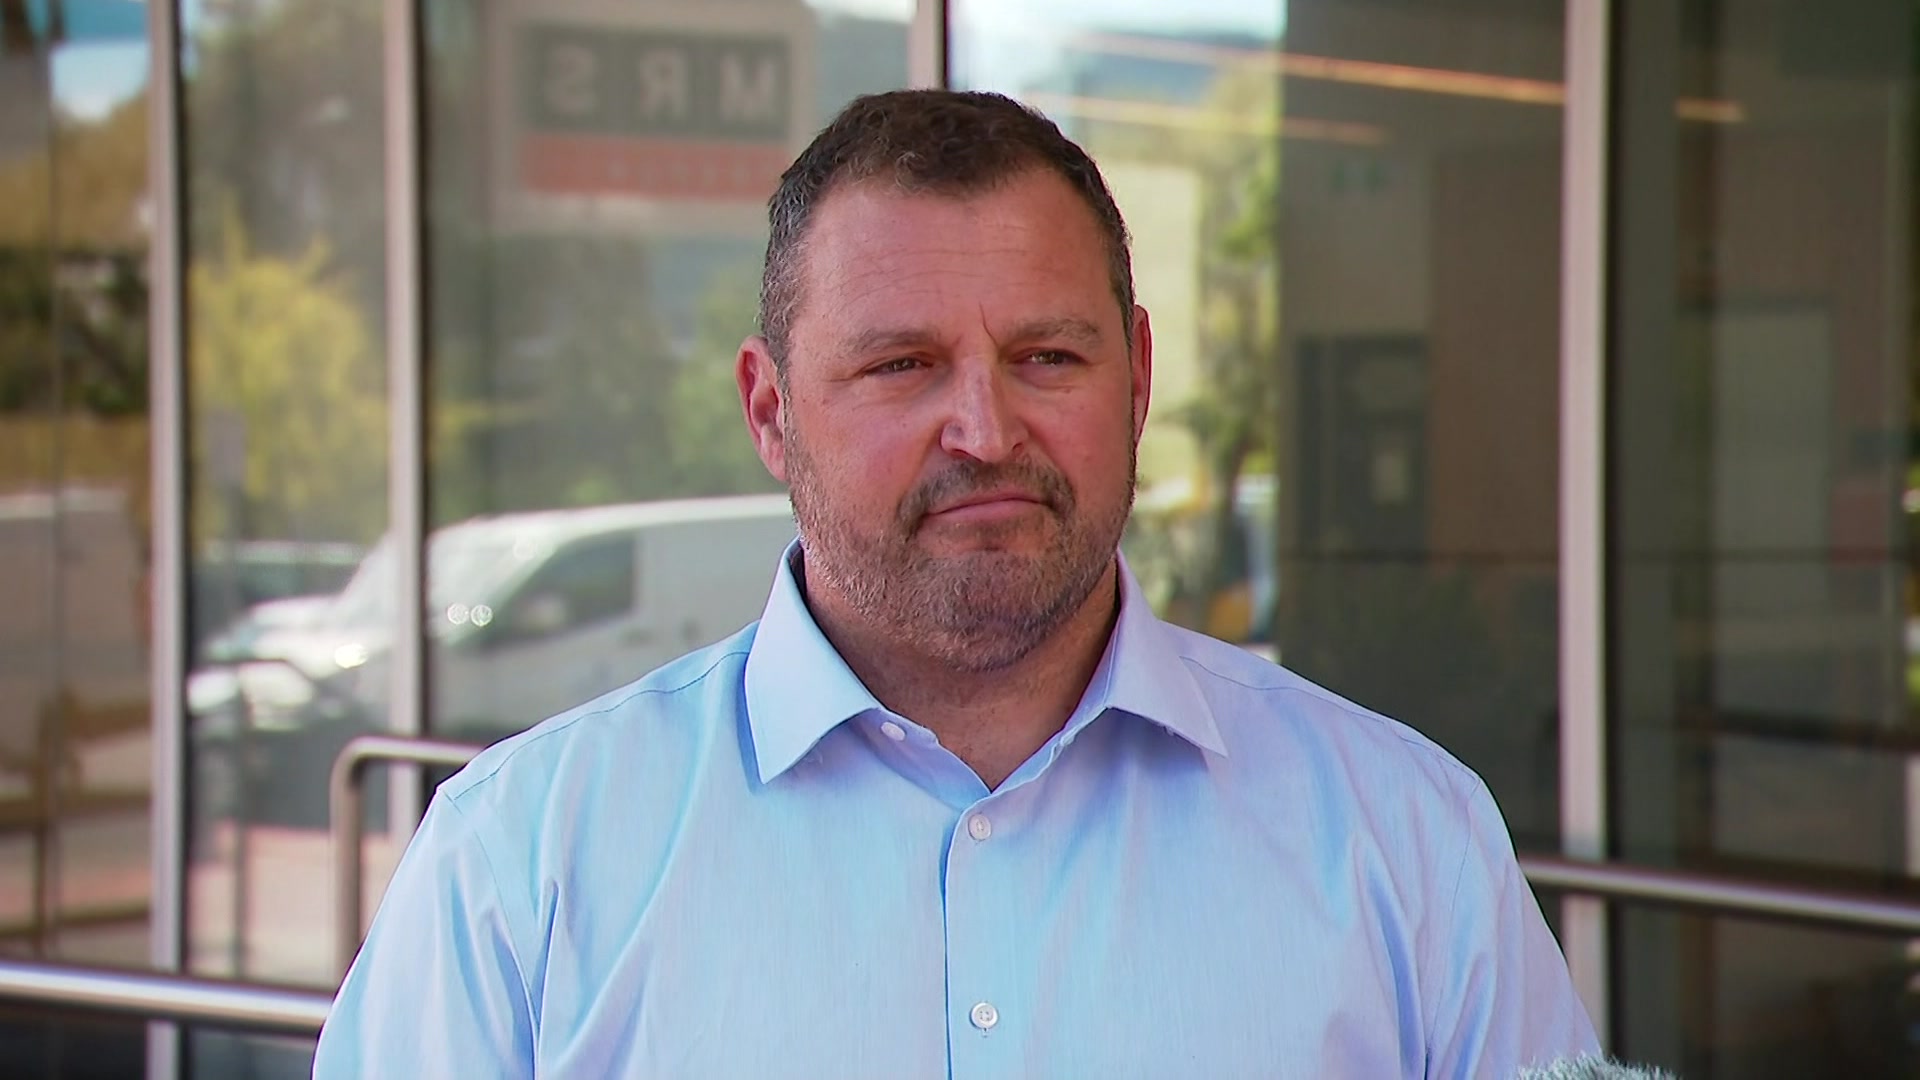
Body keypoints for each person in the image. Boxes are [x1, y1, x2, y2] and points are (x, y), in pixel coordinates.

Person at [314, 89, 1599, 1078]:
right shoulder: (521, 864)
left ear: (1138, 381)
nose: (984, 428)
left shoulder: (1409, 839)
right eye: (902, 366)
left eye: (1047, 355)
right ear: (771, 411)